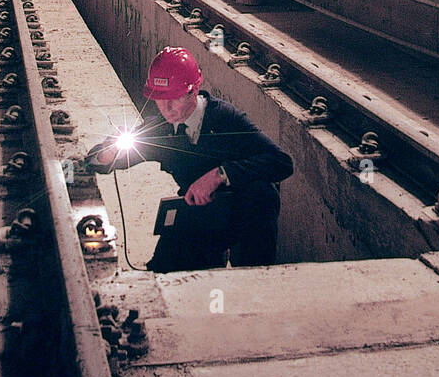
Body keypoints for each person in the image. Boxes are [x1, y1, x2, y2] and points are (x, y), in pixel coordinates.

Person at [86, 46, 293, 273]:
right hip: (197, 214)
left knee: (262, 194)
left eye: (173, 99)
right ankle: (208, 258)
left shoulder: (224, 118)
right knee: (164, 273)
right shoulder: (161, 130)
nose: (166, 109)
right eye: (159, 99)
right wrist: (107, 154)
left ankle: (255, 277)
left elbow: (281, 162)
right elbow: (99, 161)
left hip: (240, 211)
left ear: (193, 91)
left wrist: (219, 176)